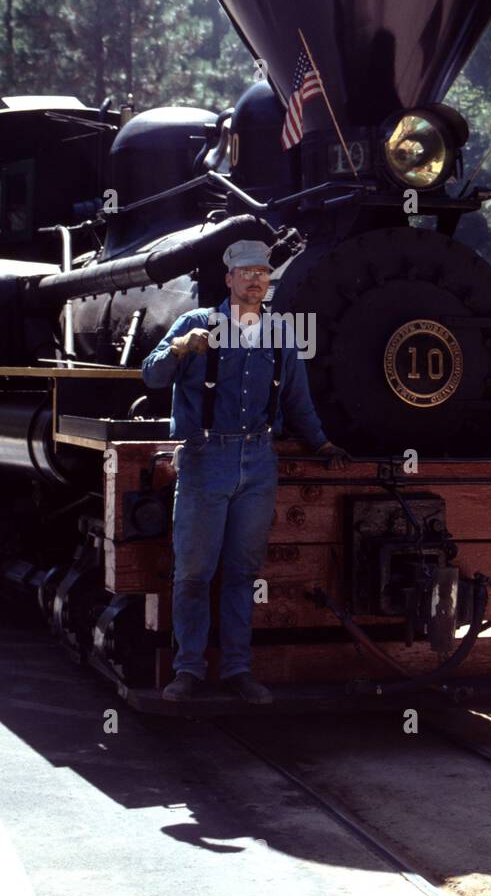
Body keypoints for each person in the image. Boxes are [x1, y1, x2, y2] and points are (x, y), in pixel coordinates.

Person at [142, 239, 348, 704]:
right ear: (229, 278)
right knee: (194, 571)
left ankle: (237, 669)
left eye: (263, 271)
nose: (256, 278)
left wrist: (322, 443)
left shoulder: (280, 333)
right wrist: (176, 350)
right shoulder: (196, 324)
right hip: (205, 457)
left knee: (241, 572)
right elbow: (150, 376)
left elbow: (298, 400)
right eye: (247, 271)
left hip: (259, 460)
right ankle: (188, 670)